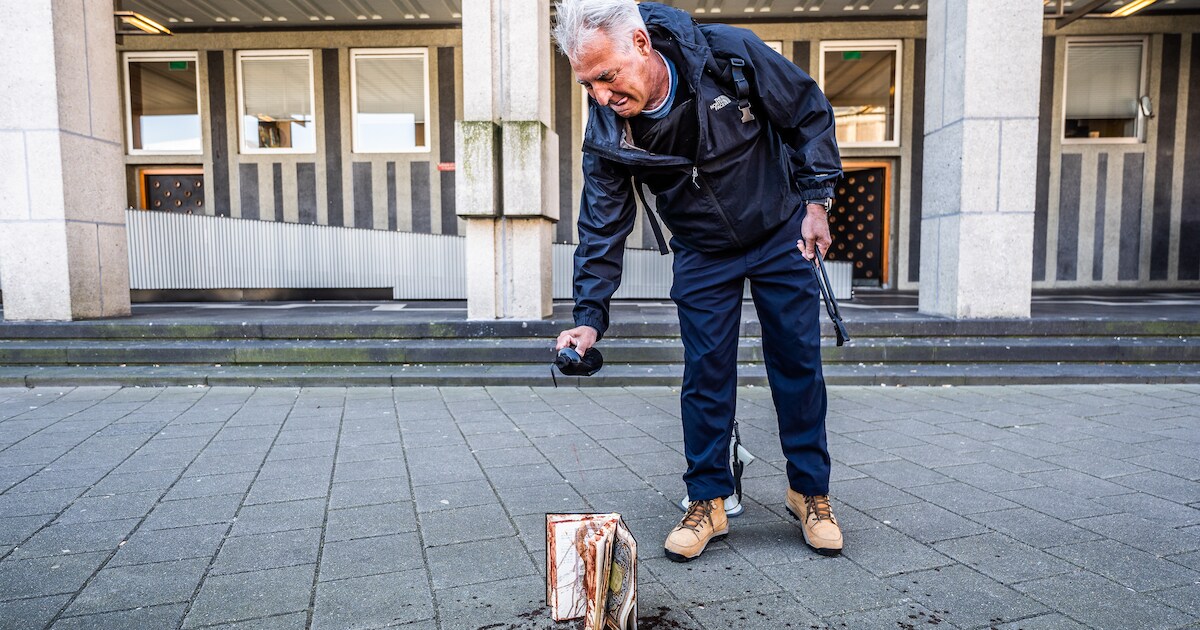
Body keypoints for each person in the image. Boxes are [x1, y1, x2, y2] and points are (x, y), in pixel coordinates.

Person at [552, 0, 844, 562]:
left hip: (780, 227)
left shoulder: (727, 54)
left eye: (606, 77)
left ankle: (810, 492)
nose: (601, 97)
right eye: (587, 85)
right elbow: (601, 223)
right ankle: (707, 499)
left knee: (797, 362)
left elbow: (807, 111)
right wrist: (588, 320)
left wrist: (817, 200)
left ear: (641, 44)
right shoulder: (609, 129)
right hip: (702, 250)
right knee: (706, 373)